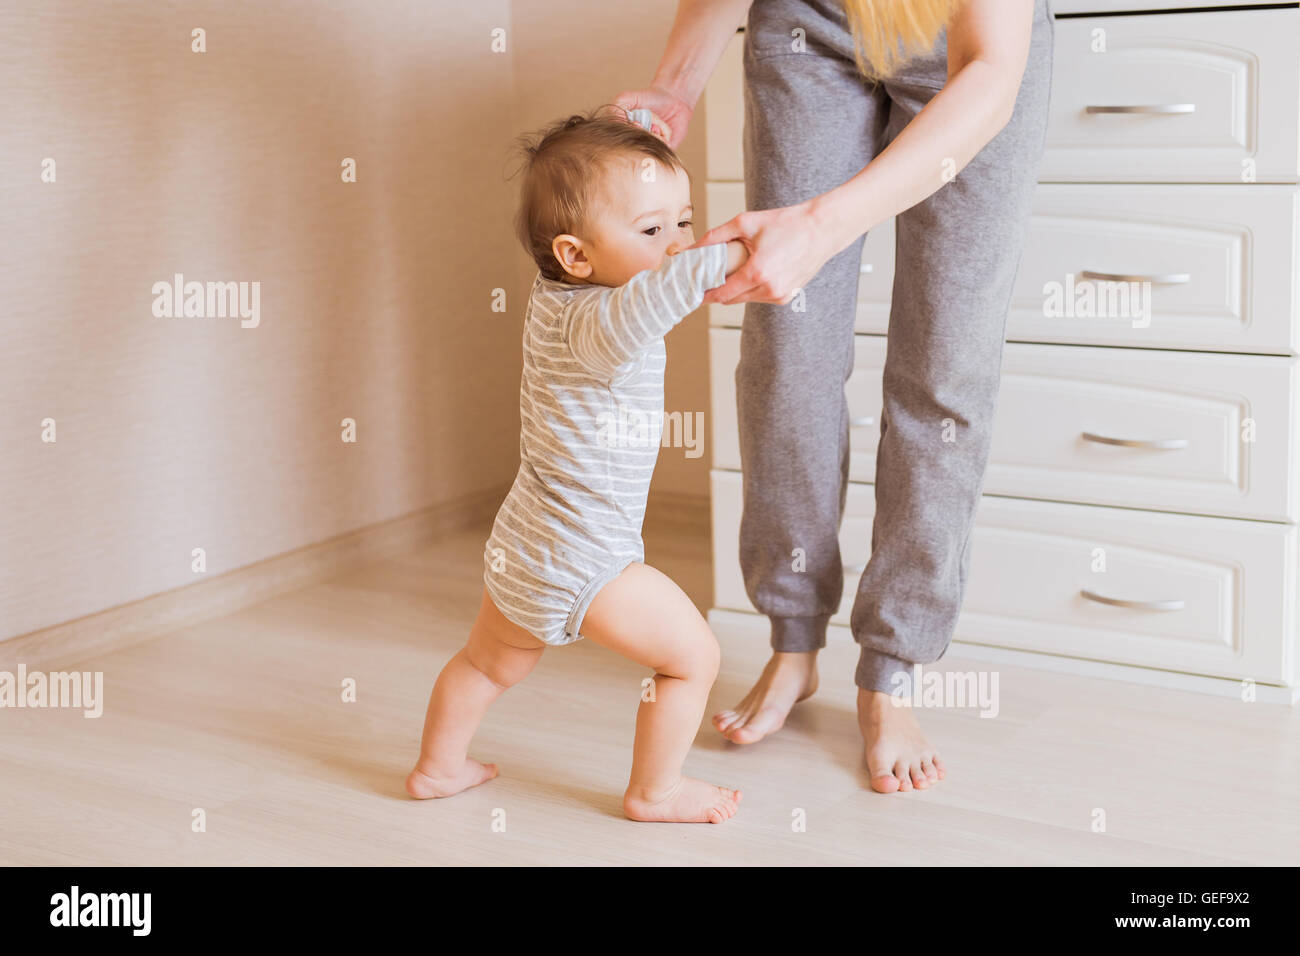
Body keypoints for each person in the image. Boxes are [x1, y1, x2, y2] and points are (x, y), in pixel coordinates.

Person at [615, 0, 1054, 793]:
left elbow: (990, 71)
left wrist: (822, 226)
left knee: (944, 369)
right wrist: (673, 86)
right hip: (807, 26)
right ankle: (793, 642)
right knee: (788, 349)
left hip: (968, 47)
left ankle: (890, 672)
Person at [407, 113, 751, 823]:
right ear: (575, 255)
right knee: (692, 660)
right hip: (585, 553)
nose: (679, 244)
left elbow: (647, 294)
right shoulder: (598, 326)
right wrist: (733, 254)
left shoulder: (555, 303)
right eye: (653, 231)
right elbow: (655, 301)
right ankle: (654, 791)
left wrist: (669, 241)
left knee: (488, 663)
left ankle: (439, 769)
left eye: (683, 222)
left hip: (523, 540)